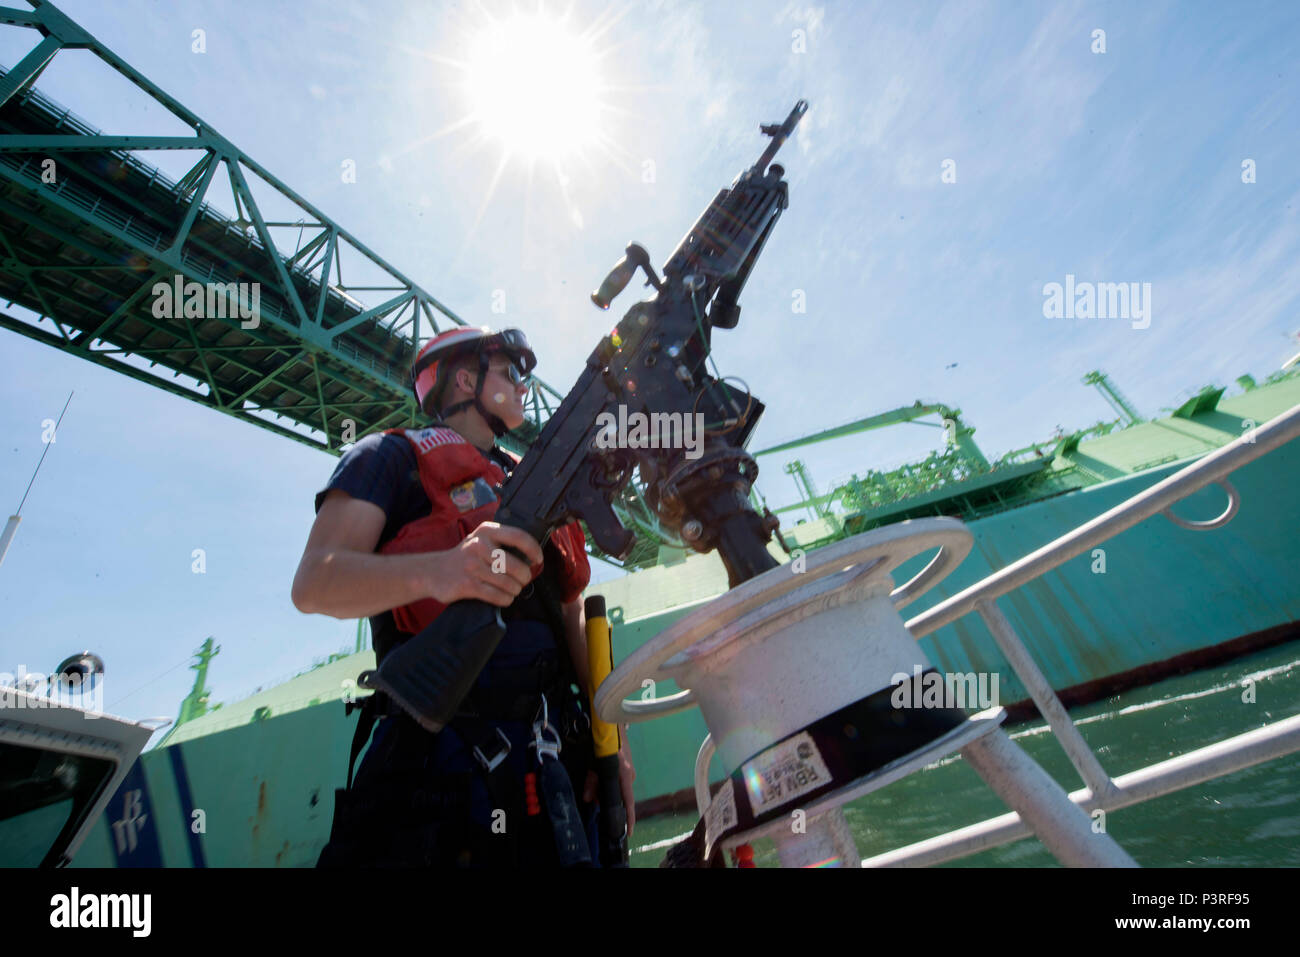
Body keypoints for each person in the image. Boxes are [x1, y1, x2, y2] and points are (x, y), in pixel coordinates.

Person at [292, 325, 635, 867]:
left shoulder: (539, 483)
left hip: (562, 763)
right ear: (468, 380)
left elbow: (570, 615)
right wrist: (442, 571)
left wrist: (611, 743)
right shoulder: (387, 456)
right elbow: (315, 583)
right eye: (511, 372)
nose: (525, 386)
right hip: (444, 769)